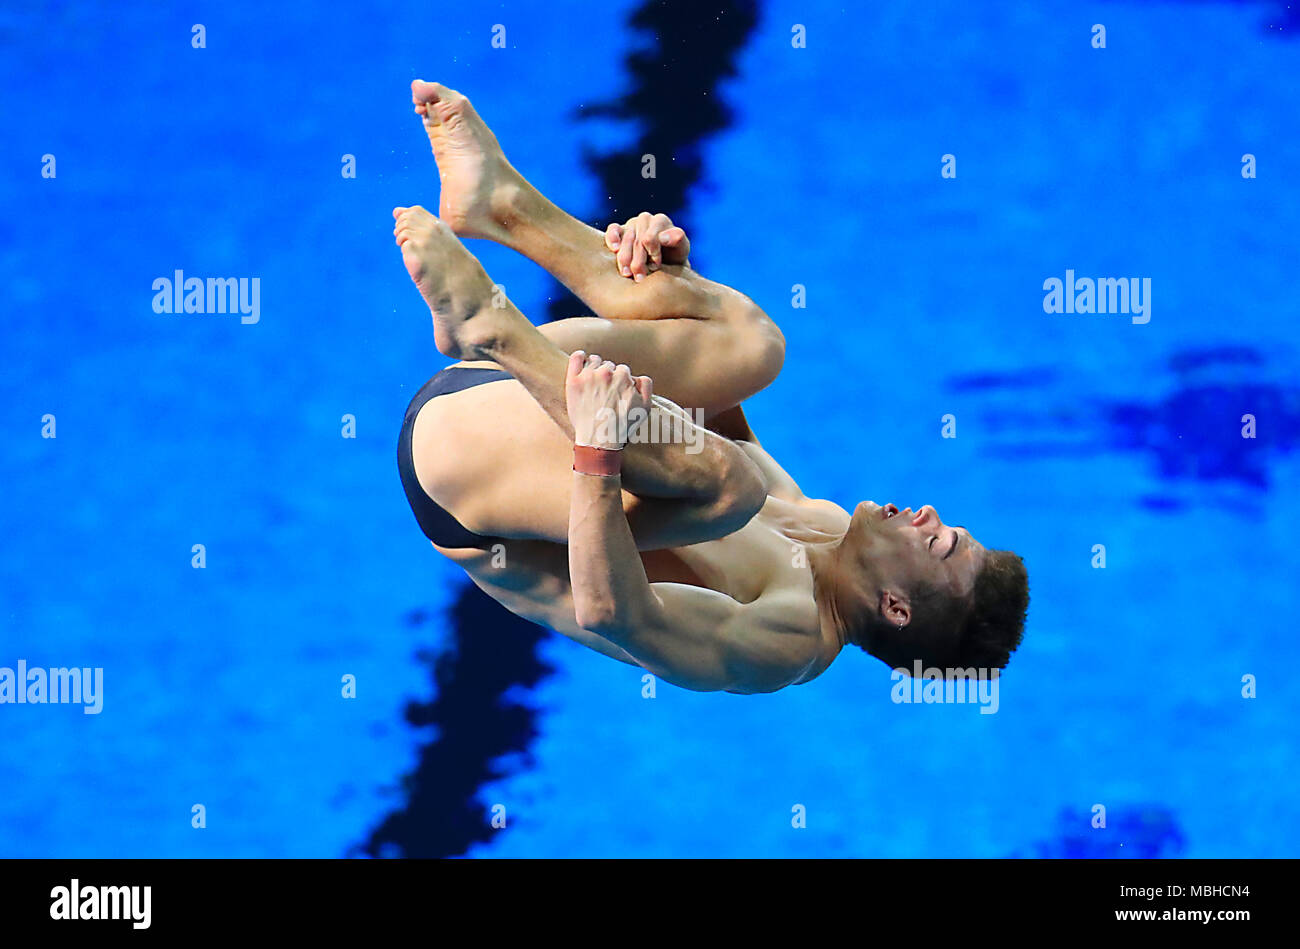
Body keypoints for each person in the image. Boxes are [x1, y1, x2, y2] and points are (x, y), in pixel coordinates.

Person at [394, 80, 1028, 694]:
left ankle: (492, 325)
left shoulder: (789, 642)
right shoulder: (824, 524)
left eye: (939, 542)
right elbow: (714, 420)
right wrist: (676, 283)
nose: (928, 515)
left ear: (895, 609)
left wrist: (598, 453)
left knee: (734, 487)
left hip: (457, 465)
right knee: (754, 346)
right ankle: (501, 206)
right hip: (513, 392)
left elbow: (614, 612)